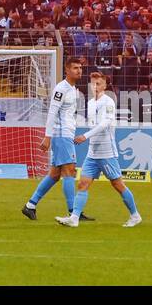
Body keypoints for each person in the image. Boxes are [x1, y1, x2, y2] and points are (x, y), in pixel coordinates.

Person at [55, 72, 141, 228]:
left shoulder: (108, 102)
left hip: (106, 152)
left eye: (98, 84)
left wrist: (85, 136)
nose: (95, 87)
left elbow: (104, 124)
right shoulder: (91, 103)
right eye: (93, 83)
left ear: (105, 85)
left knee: (118, 184)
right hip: (92, 153)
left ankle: (135, 215)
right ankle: (74, 218)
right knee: (83, 184)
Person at [22, 57, 90, 221]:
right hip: (61, 135)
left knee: (54, 175)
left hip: (65, 133)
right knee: (70, 171)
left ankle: (30, 206)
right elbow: (52, 112)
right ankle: (74, 212)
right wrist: (47, 136)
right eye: (75, 68)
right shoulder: (61, 89)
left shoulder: (73, 89)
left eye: (80, 67)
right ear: (66, 70)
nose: (79, 70)